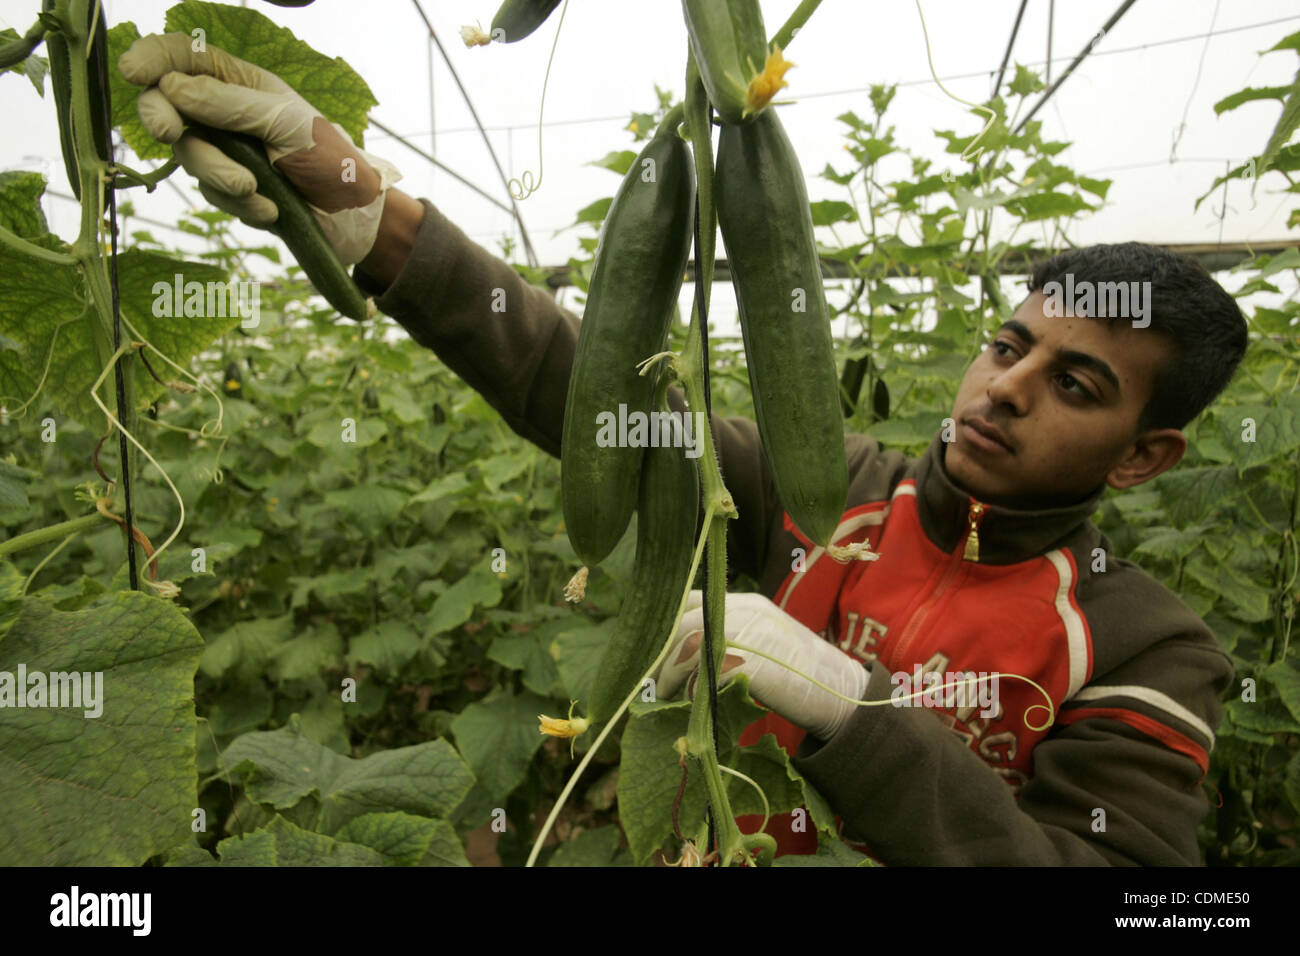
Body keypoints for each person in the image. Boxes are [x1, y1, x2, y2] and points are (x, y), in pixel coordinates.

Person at [119, 34, 1249, 866]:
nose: (1005, 387)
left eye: (1073, 383)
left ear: (1145, 455)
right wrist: (355, 196)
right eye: (1011, 343)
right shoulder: (825, 488)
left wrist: (857, 713)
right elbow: (575, 379)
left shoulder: (1147, 642)